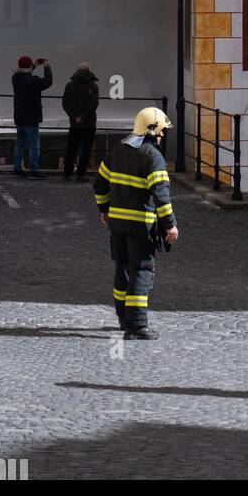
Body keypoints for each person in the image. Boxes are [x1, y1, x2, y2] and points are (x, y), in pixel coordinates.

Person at [92, 106, 178, 340]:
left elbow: (99, 185)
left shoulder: (117, 150)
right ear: (153, 131)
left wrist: (105, 210)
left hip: (117, 225)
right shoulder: (153, 157)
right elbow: (161, 195)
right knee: (141, 271)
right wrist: (170, 224)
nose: (162, 135)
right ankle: (137, 326)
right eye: (161, 131)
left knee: (122, 270)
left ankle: (123, 319)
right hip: (142, 226)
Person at [11, 55, 53, 178]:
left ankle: (17, 167)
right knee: (34, 144)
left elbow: (25, 75)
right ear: (28, 66)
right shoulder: (34, 80)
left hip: (19, 116)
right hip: (32, 117)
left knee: (20, 143)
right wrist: (46, 68)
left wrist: (33, 65)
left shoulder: (15, 78)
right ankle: (33, 169)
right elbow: (47, 82)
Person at [62, 62, 100, 180]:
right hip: (89, 123)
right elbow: (93, 105)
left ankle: (67, 173)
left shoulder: (69, 85)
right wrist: (83, 117)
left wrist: (74, 117)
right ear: (88, 71)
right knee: (86, 149)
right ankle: (80, 174)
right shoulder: (93, 86)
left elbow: (65, 103)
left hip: (74, 123)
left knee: (71, 148)